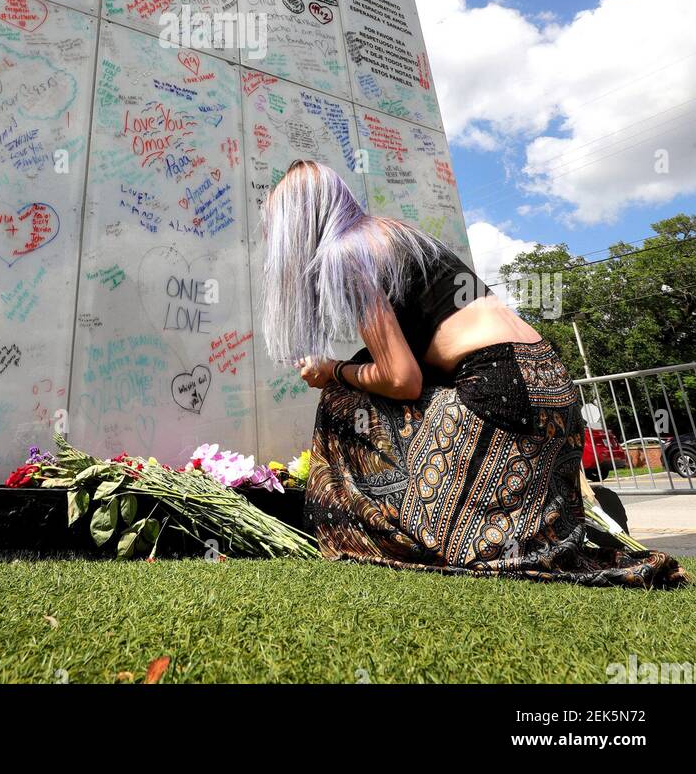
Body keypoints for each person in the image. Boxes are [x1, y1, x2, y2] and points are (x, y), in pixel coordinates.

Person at [261, 160, 686, 587]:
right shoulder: (395, 236)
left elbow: (401, 380)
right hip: (553, 391)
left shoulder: (348, 255)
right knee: (358, 366)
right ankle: (466, 527)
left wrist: (332, 369)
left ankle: (371, 532)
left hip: (501, 395)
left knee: (340, 394)